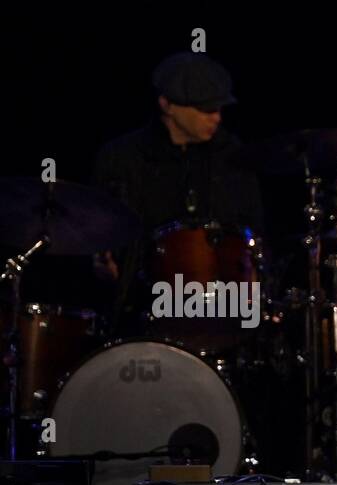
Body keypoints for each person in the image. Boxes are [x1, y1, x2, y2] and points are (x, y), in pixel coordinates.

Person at [92, 52, 263, 316]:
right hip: (144, 306)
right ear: (167, 105)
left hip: (222, 306)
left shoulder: (233, 158)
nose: (216, 117)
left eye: (218, 108)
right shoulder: (122, 158)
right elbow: (99, 229)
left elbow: (253, 231)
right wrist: (103, 261)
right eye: (205, 109)